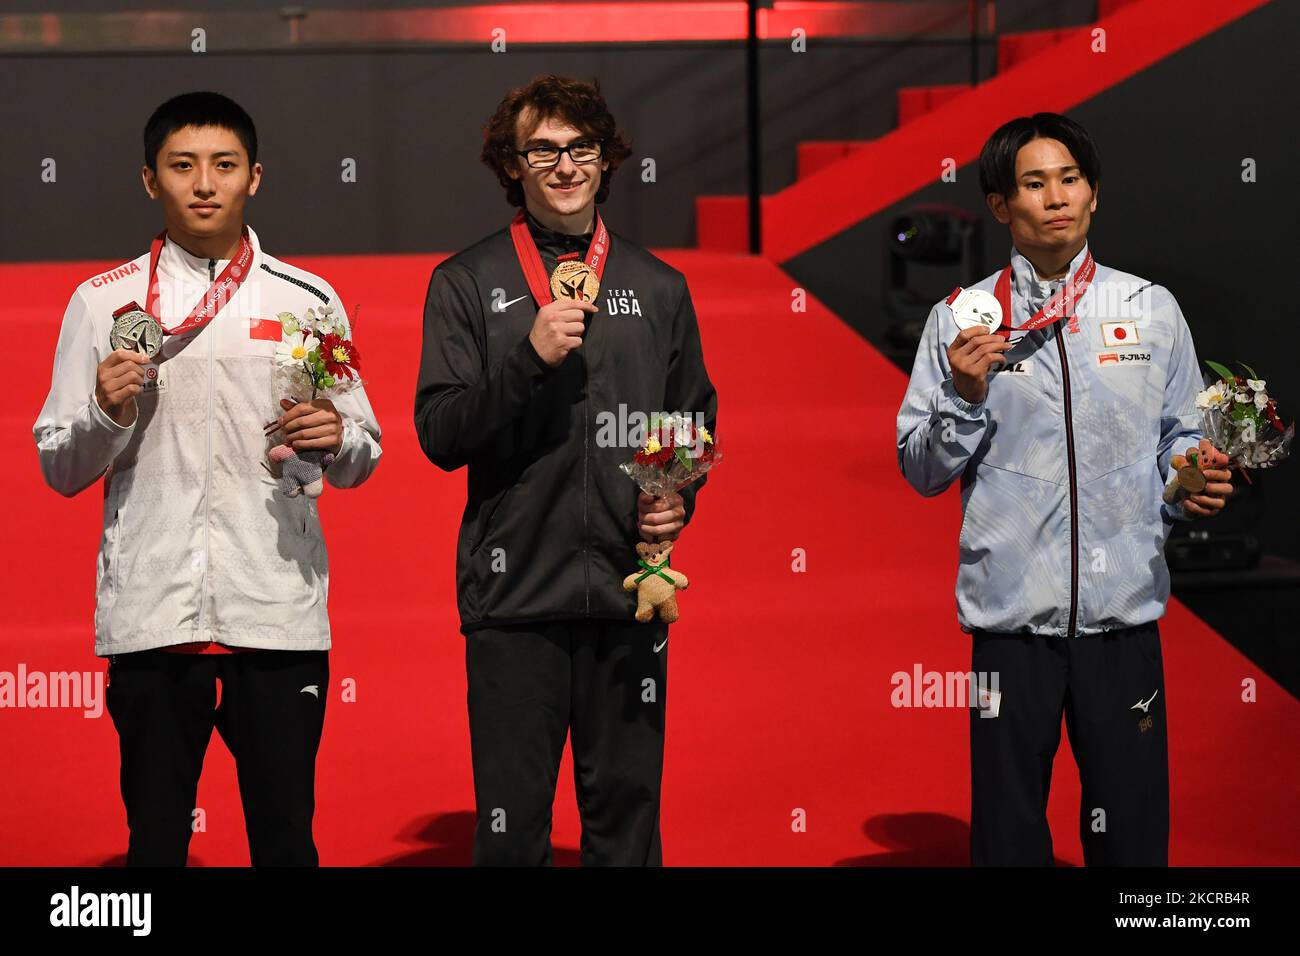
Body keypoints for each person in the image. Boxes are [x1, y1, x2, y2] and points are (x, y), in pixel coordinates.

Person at [32, 91, 382, 866]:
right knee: (154, 845)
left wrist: (338, 438)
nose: (203, 183)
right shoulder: (101, 304)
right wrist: (102, 410)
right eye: (181, 165)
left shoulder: (309, 300)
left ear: (253, 176)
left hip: (276, 616)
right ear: (149, 180)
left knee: (286, 844)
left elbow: (363, 449)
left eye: (223, 165)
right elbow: (59, 464)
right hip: (154, 621)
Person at [895, 112, 1233, 866]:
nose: (1056, 197)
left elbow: (1182, 438)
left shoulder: (1150, 308)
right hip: (1009, 626)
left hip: (1124, 622)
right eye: (1034, 183)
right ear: (999, 205)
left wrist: (1190, 483)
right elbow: (919, 467)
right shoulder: (963, 319)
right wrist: (964, 394)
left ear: (1094, 193)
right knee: (1008, 835)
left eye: (1070, 179)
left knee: (1134, 838)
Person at [414, 74, 718, 866]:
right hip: (513, 597)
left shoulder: (658, 286)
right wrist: (529, 358)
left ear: (605, 157)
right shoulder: (466, 282)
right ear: (511, 166)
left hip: (629, 593)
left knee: (627, 827)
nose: (564, 165)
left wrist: (673, 497)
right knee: (513, 835)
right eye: (541, 150)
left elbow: (686, 418)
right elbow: (441, 433)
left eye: (579, 147)